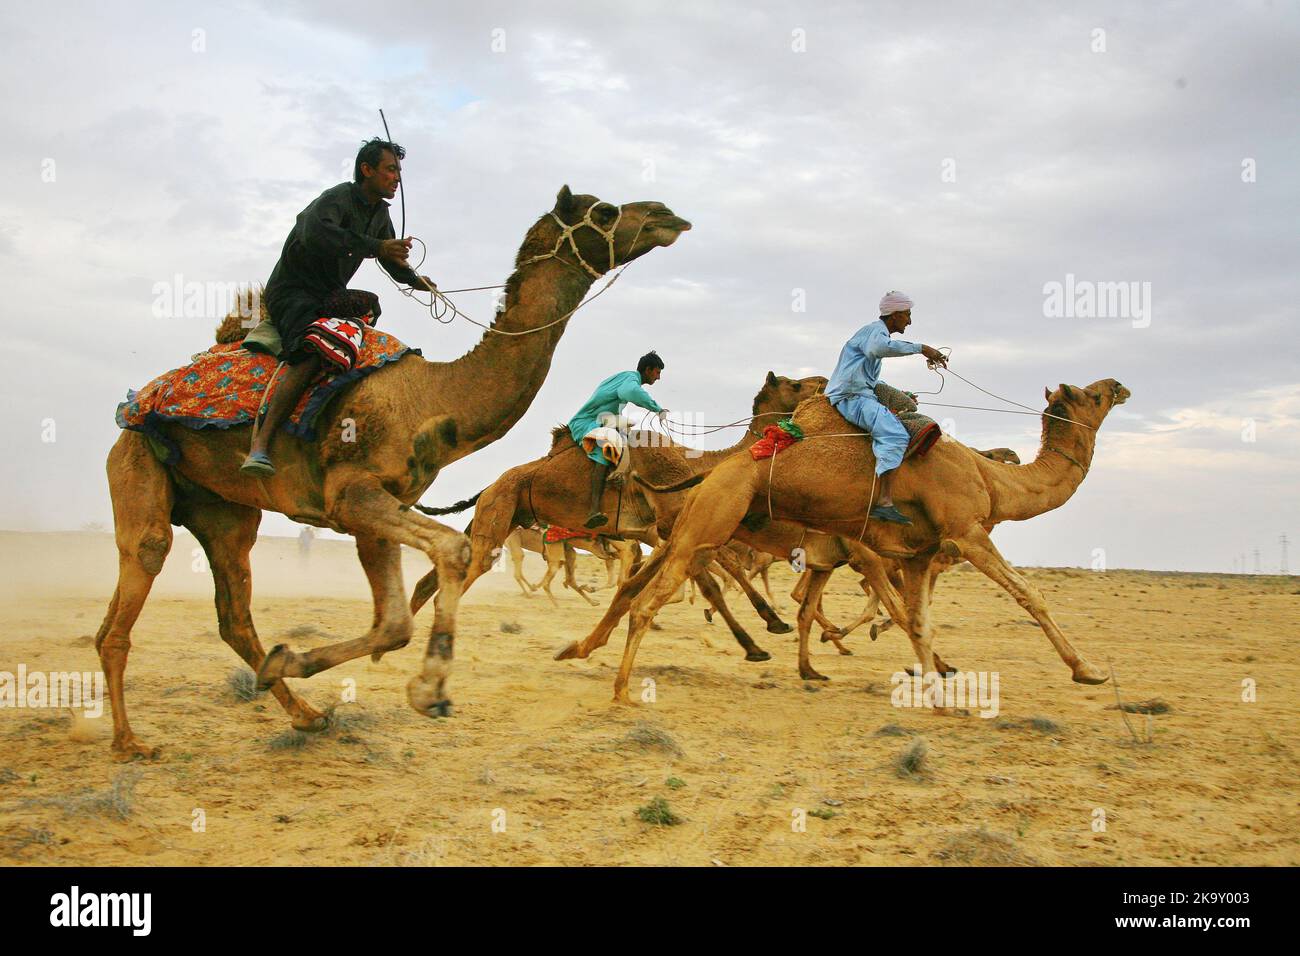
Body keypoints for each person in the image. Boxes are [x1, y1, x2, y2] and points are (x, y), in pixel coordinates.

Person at [240, 137, 437, 477]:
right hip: (294, 292)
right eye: (391, 170)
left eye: (398, 171)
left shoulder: (379, 213)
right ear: (367, 170)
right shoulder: (336, 199)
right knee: (315, 349)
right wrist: (378, 245)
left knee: (367, 308)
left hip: (329, 293)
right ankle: (261, 444)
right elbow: (316, 235)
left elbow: (388, 259)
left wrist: (414, 279)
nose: (397, 178)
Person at [824, 291, 947, 525]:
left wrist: (902, 395)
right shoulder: (875, 333)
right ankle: (884, 502)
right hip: (852, 397)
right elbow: (879, 349)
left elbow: (870, 376)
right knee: (896, 435)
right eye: (907, 315)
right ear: (895, 314)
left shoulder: (873, 332)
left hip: (858, 393)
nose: (909, 321)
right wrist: (922, 348)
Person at [568, 351, 668, 528]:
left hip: (599, 420)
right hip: (585, 423)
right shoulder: (630, 379)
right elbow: (630, 392)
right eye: (657, 372)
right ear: (648, 369)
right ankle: (593, 510)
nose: (658, 377)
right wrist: (657, 409)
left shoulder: (625, 378)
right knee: (606, 448)